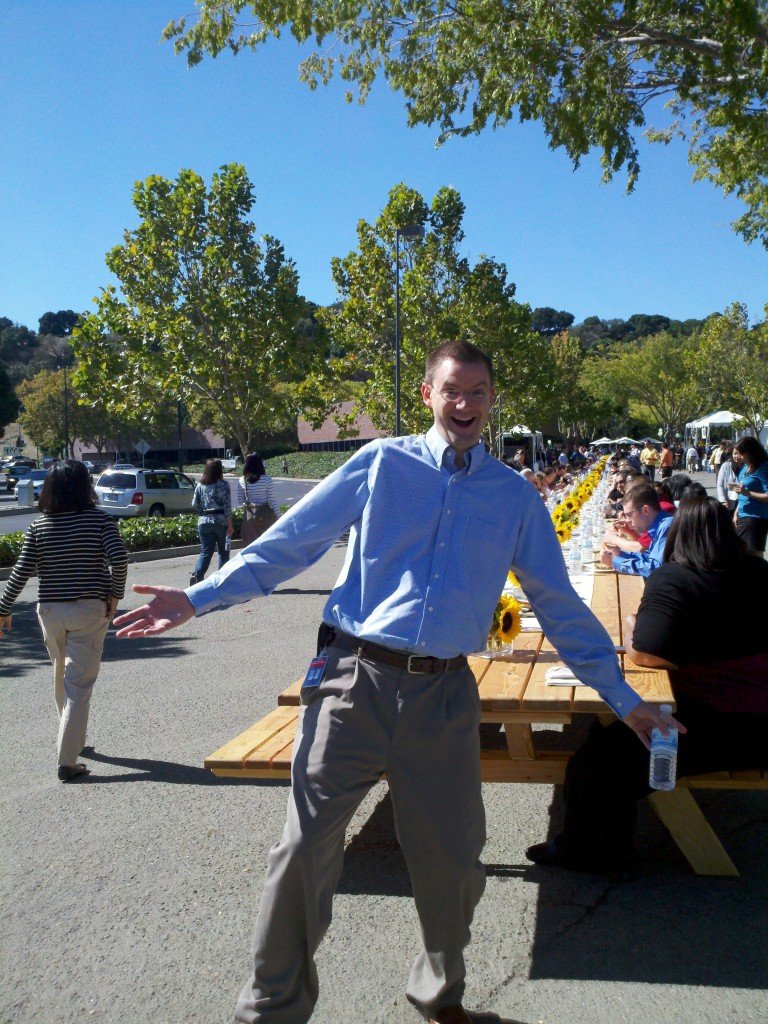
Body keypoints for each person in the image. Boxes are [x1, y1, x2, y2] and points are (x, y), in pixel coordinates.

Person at [113, 341, 671, 1024]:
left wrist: (627, 700)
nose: (464, 404)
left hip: (443, 694)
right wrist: (196, 598)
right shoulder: (380, 463)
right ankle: (270, 1009)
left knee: (456, 862)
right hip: (352, 680)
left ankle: (440, 995)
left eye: (478, 392)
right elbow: (288, 544)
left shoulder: (513, 498)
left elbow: (558, 604)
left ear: (493, 400)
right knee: (303, 850)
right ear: (428, 395)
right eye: (451, 390)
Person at [527, 495, 766, 874]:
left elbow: (645, 650)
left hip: (725, 725)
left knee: (597, 760)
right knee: (606, 733)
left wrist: (630, 626)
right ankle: (607, 841)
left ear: (677, 537)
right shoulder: (760, 572)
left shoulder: (676, 577)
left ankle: (591, 851)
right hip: (757, 721)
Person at [0, 460, 127, 781]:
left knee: (62, 676)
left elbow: (21, 572)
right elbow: (119, 558)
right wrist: (115, 595)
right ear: (86, 486)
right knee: (79, 684)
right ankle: (67, 762)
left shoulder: (39, 526)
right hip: (88, 610)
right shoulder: (100, 520)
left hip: (50, 612)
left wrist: (3, 608)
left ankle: (72, 738)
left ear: (50, 490)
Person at [600, 481, 673, 577]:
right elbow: (649, 557)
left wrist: (615, 561)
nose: (627, 521)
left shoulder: (666, 526)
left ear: (645, 510)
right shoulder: (659, 524)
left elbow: (655, 568)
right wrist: (620, 554)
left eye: (629, 515)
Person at [190, 458, 233, 587]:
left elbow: (194, 504)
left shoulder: (200, 485)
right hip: (220, 521)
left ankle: (198, 574)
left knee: (205, 551)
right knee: (223, 552)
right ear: (219, 470)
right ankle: (221, 580)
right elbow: (227, 507)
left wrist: (202, 513)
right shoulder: (224, 485)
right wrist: (230, 525)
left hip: (204, 521)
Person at [730, 436, 768, 554]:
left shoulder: (763, 467)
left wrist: (747, 493)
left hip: (756, 517)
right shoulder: (746, 467)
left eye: (741, 453)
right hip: (743, 515)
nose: (738, 456)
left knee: (754, 555)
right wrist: (736, 513)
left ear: (750, 452)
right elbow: (742, 493)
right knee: (741, 553)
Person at [237, 453, 281, 517]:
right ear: (260, 464)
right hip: (265, 515)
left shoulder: (242, 480)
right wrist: (278, 516)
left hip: (250, 516)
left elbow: (241, 501)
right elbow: (272, 500)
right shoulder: (266, 479)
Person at [716, 444, 742, 511]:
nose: (737, 456)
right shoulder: (726, 466)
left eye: (740, 454)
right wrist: (723, 500)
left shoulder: (747, 467)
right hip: (728, 502)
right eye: (735, 454)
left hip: (743, 503)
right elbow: (720, 485)